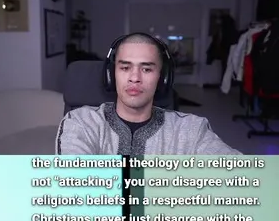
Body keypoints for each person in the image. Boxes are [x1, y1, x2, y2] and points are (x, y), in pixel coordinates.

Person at [56, 33, 241, 155]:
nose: (135, 78)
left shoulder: (192, 129)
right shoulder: (81, 122)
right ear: (111, 75)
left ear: (163, 78)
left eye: (146, 69)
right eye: (125, 67)